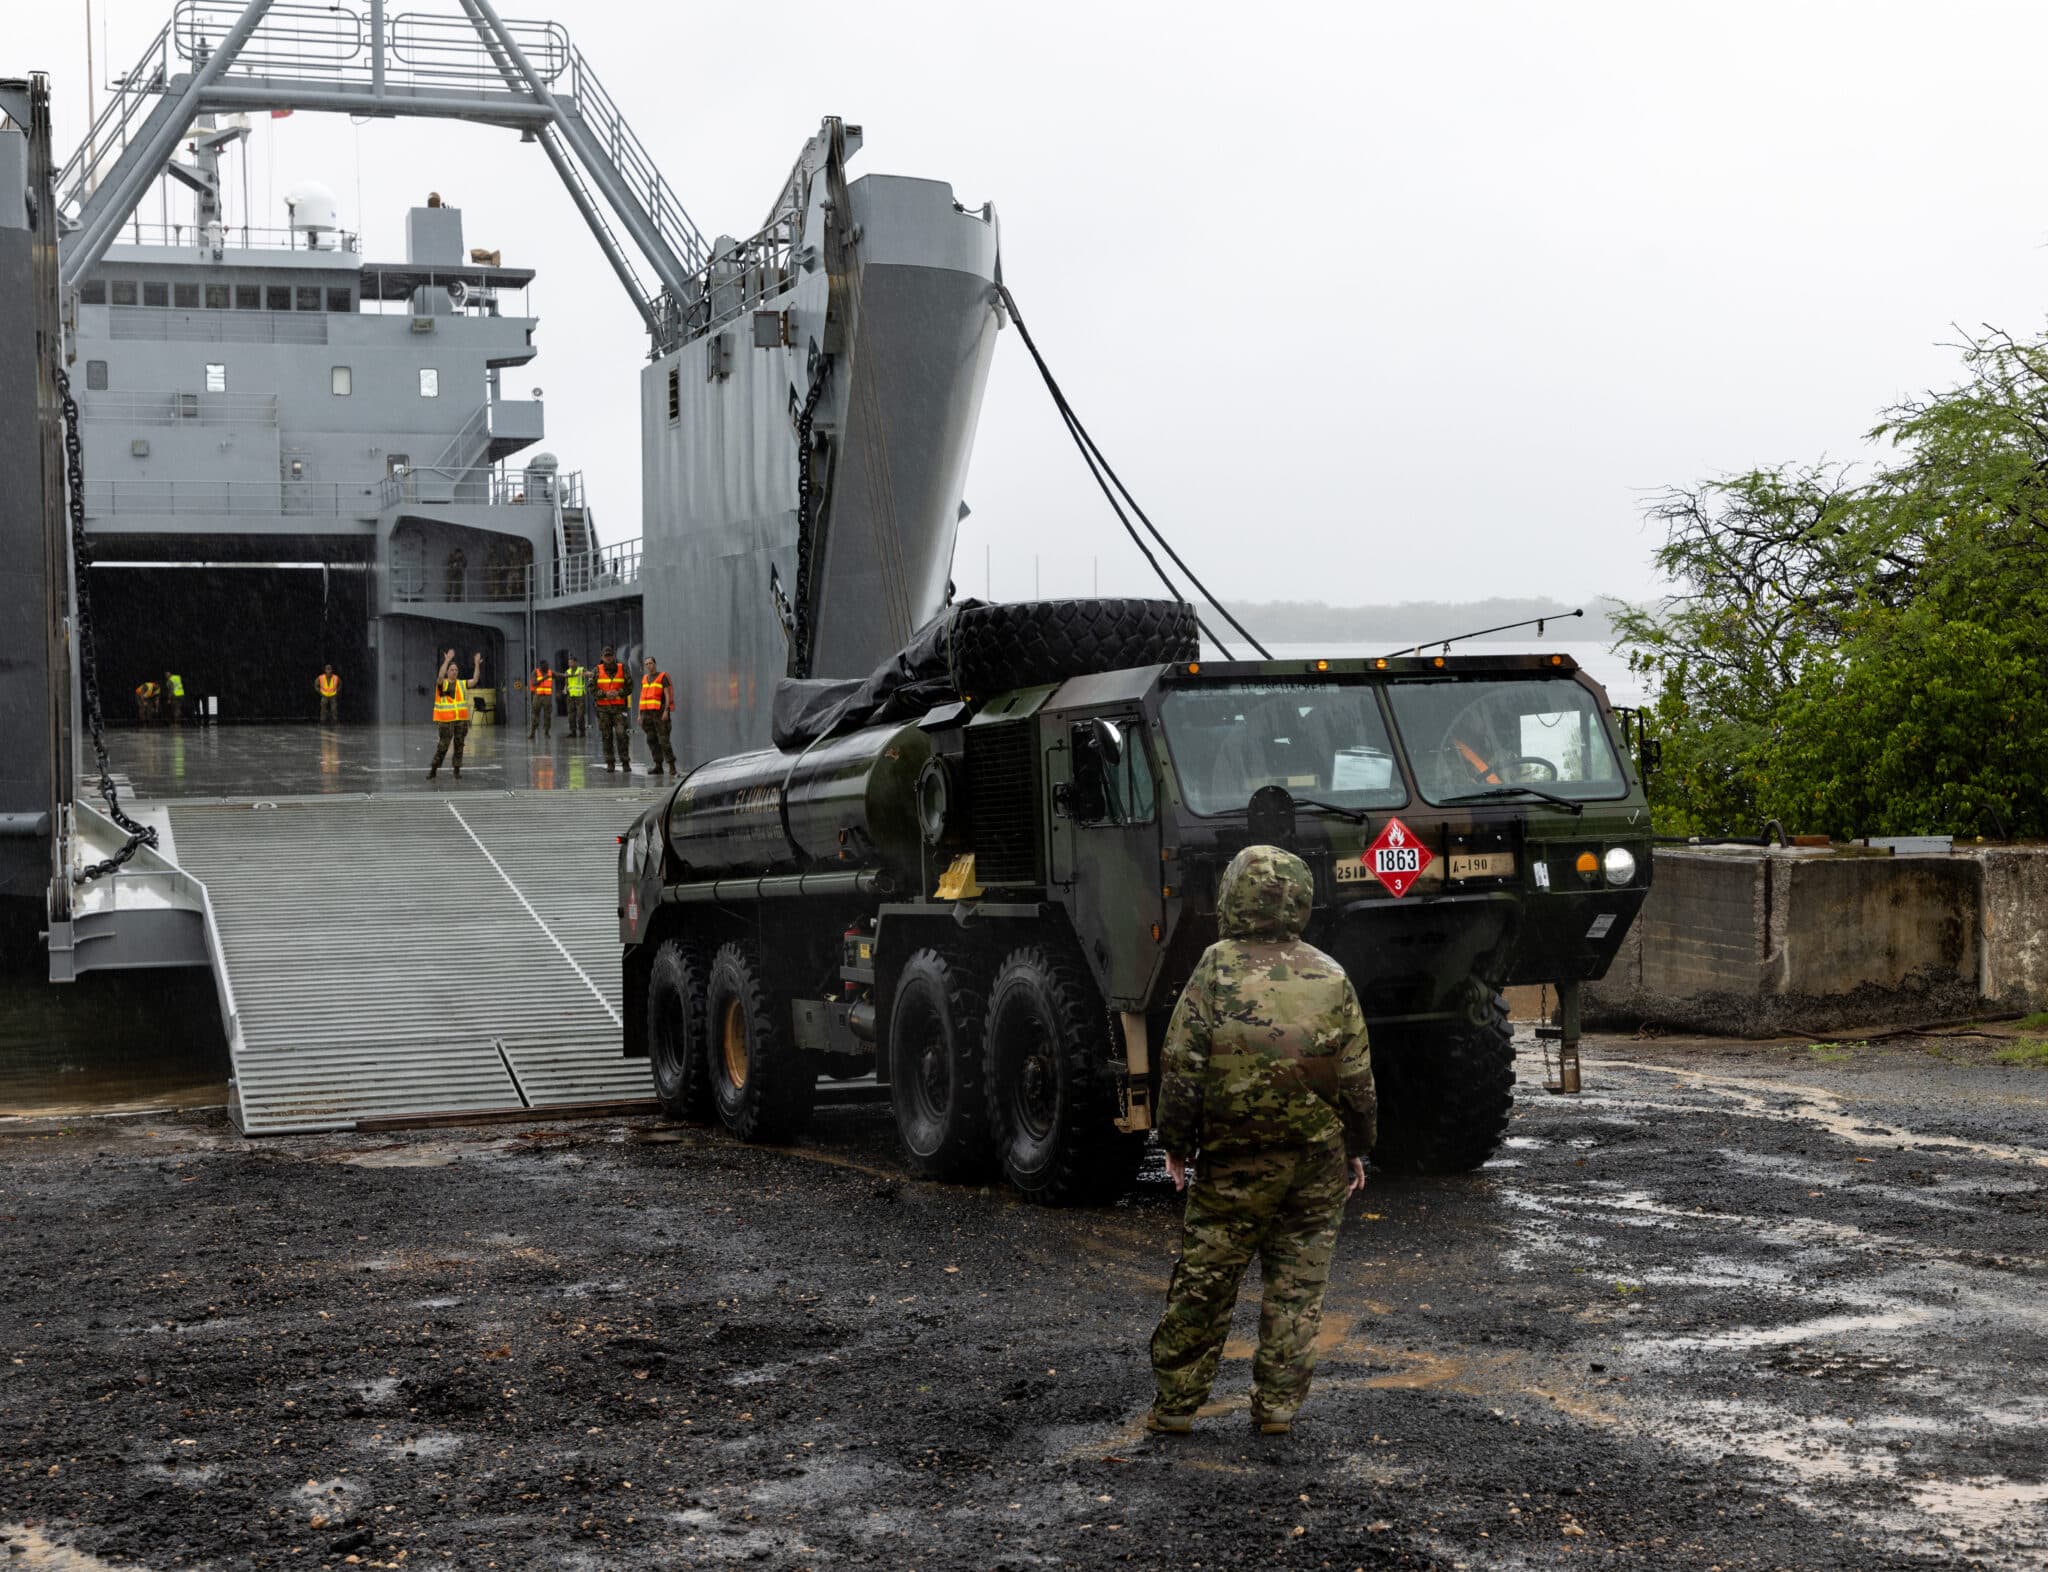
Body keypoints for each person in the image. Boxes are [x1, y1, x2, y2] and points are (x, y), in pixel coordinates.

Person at [1146, 844, 1375, 1439]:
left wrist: (1175, 1141)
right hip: (1314, 1163)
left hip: (1233, 1163)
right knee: (1298, 1289)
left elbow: (1182, 1065)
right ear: (1301, 900)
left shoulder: (1215, 967)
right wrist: (1357, 1146)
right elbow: (1356, 1079)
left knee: (1206, 1279)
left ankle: (1175, 1403)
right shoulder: (1332, 974)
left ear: (1232, 898)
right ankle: (1276, 1409)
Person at [428, 649, 483, 780]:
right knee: (443, 747)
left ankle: (456, 770)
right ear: (448, 671)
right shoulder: (443, 684)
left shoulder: (461, 684)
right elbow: (440, 676)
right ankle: (434, 769)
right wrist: (447, 660)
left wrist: (476, 664)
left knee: (459, 746)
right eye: (452, 670)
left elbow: (475, 680)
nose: (454, 672)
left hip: (460, 721)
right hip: (446, 721)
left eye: (456, 670)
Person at [591, 645, 631, 774]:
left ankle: (625, 762)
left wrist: (619, 692)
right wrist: (604, 694)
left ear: (614, 656)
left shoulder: (622, 668)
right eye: (606, 656)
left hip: (619, 709)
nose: (608, 658)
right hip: (603, 710)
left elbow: (630, 686)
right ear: (602, 657)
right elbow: (591, 689)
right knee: (607, 736)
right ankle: (610, 763)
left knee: (622, 735)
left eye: (610, 656)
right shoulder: (596, 670)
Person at [637, 655, 677, 776]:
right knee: (651, 740)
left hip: (659, 713)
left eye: (650, 663)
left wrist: (666, 710)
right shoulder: (644, 678)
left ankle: (671, 766)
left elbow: (668, 694)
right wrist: (639, 715)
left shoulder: (662, 677)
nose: (649, 666)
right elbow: (642, 697)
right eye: (646, 664)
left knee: (664, 740)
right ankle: (658, 766)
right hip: (647, 715)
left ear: (655, 664)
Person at [528, 657, 555, 741]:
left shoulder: (550, 672)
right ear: (541, 666)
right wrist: (544, 678)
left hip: (547, 697)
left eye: (547, 666)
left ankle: (547, 732)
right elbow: (534, 683)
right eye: (545, 666)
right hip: (538, 696)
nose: (547, 667)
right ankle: (532, 732)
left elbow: (561, 675)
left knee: (547, 715)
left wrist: (572, 675)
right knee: (535, 714)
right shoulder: (535, 672)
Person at [562, 658, 588, 738]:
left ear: (576, 663)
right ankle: (573, 732)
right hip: (570, 696)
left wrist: (586, 674)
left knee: (580, 715)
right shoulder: (567, 672)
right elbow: (567, 683)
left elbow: (588, 675)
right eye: (569, 663)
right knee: (571, 716)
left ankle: (582, 731)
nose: (570, 664)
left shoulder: (581, 670)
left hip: (580, 696)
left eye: (572, 663)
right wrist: (565, 689)